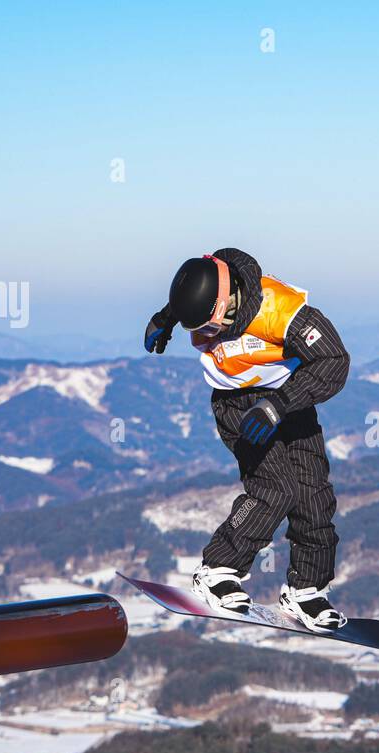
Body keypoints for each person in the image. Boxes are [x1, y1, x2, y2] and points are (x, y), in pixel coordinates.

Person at [143, 248, 350, 630]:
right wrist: (166, 318)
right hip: (237, 405)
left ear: (228, 306)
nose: (206, 336)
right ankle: (217, 570)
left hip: (289, 399)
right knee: (274, 488)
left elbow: (335, 361)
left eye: (209, 327)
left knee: (313, 495)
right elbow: (193, 292)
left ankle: (306, 590)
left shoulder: (281, 311)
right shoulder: (211, 286)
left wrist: (280, 404)